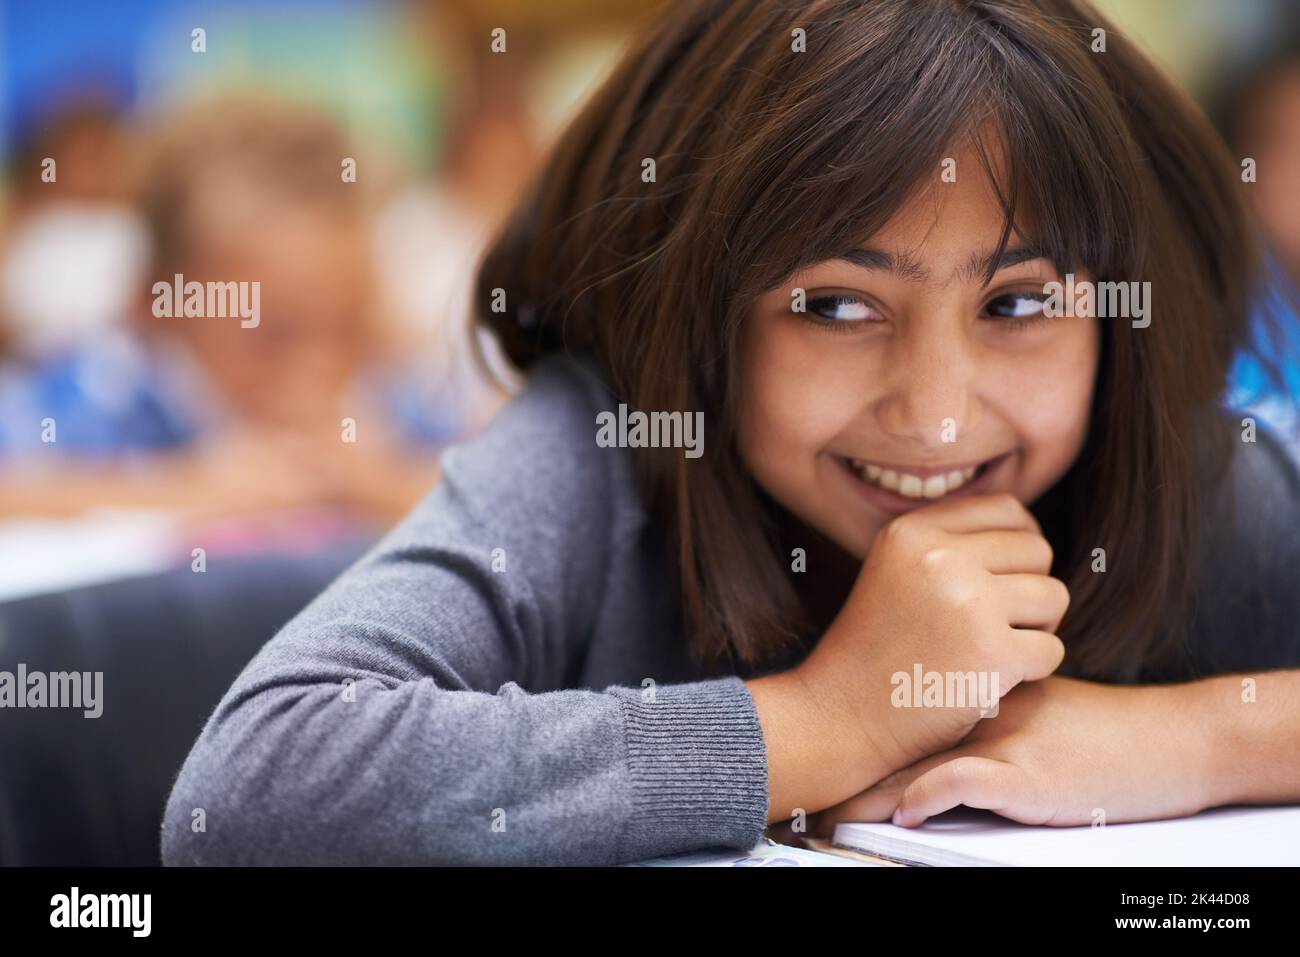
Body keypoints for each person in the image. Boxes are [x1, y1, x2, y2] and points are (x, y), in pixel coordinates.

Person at [163, 0, 1300, 866]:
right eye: (836, 307)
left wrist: (1202, 742)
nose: (939, 412)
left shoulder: (1202, 495)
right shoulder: (598, 454)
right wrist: (820, 722)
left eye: (1016, 304)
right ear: (693, 317)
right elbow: (253, 785)